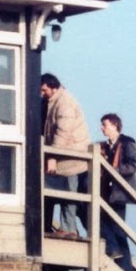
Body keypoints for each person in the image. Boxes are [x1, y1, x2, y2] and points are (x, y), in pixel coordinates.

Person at [40, 73, 90, 238]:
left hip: (71, 158)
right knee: (63, 193)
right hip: (66, 156)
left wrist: (52, 157)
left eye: (44, 90)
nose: (42, 93)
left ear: (52, 87)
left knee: (69, 193)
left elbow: (63, 132)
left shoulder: (65, 103)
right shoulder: (55, 101)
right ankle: (67, 227)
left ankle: (69, 228)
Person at [98, 113, 136, 271]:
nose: (102, 128)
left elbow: (133, 165)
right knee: (105, 225)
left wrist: (115, 171)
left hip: (119, 194)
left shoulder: (127, 142)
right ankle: (118, 259)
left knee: (118, 231)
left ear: (115, 126)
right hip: (106, 193)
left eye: (105, 125)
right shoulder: (104, 146)